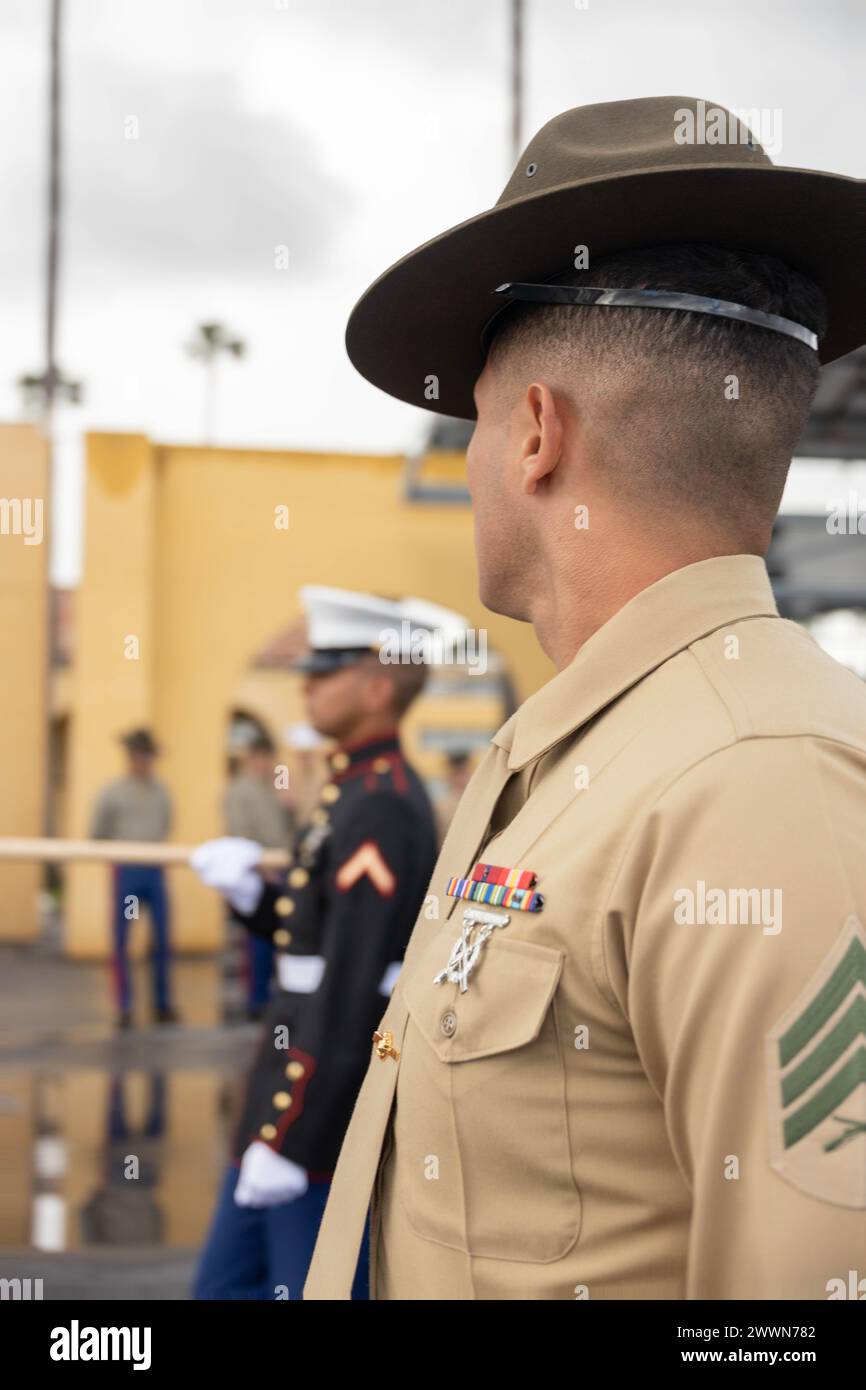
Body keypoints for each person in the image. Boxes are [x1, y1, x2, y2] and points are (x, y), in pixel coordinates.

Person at [304, 95, 866, 1300]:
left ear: (534, 438)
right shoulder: (571, 751)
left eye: (473, 420)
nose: (463, 467)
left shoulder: (759, 780)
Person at [189, 586, 461, 1299]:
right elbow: (319, 936)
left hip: (313, 1110)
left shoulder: (377, 802)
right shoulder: (352, 787)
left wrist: (290, 1137)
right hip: (286, 1088)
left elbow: (352, 984)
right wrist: (257, 900)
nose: (305, 684)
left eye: (324, 671)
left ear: (376, 686)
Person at [90, 728, 177, 1030]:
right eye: (137, 755)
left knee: (162, 938)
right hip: (128, 871)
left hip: (154, 869)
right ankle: (124, 1005)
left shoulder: (161, 791)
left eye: (146, 755)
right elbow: (98, 831)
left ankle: (162, 1003)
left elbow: (166, 823)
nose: (141, 761)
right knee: (122, 939)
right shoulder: (113, 792)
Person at [224, 733, 291, 1018]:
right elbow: (240, 832)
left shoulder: (271, 789)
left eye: (268, 757)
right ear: (252, 758)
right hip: (255, 871)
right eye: (260, 757)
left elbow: (283, 830)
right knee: (256, 938)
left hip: (277, 868)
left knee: (275, 936)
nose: (265, 763)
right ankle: (256, 999)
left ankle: (268, 996)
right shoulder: (240, 790)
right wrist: (261, 867)